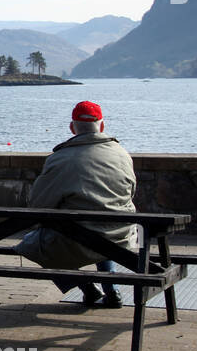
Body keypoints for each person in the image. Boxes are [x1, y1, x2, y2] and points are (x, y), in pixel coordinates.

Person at [14, 100, 136, 308]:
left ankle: (87, 287)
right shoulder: (122, 154)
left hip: (78, 241)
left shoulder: (61, 158)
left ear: (72, 128)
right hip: (123, 236)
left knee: (30, 245)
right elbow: (130, 192)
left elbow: (39, 205)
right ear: (102, 126)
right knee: (100, 232)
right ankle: (112, 290)